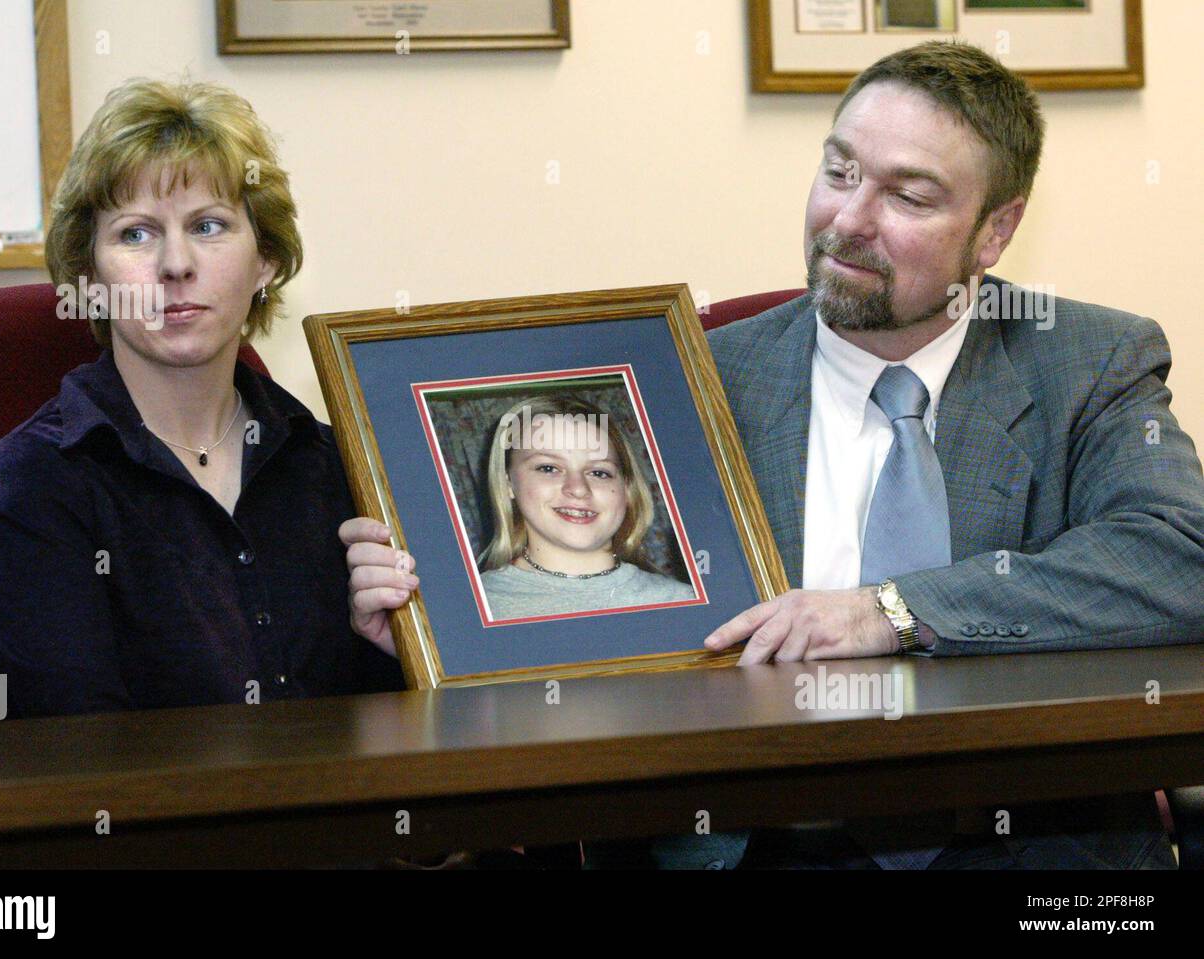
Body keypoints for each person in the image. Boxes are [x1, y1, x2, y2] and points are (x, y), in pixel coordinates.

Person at [690, 41, 1203, 869]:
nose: (849, 220)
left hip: (1030, 843)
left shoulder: (1089, 361)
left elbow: (1181, 558)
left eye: (909, 196)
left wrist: (889, 610)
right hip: (762, 841)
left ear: (996, 229)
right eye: (840, 171)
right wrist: (421, 619)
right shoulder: (700, 373)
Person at [0, 78, 407, 718]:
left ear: (265, 262)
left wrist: (402, 659)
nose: (175, 264)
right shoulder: (43, 480)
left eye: (208, 225)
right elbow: (78, 763)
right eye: (136, 234)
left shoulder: (338, 464)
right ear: (90, 279)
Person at [475, 395, 694, 620]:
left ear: (627, 488)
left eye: (599, 472)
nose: (578, 489)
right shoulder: (468, 610)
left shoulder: (686, 604)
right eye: (548, 468)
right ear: (508, 483)